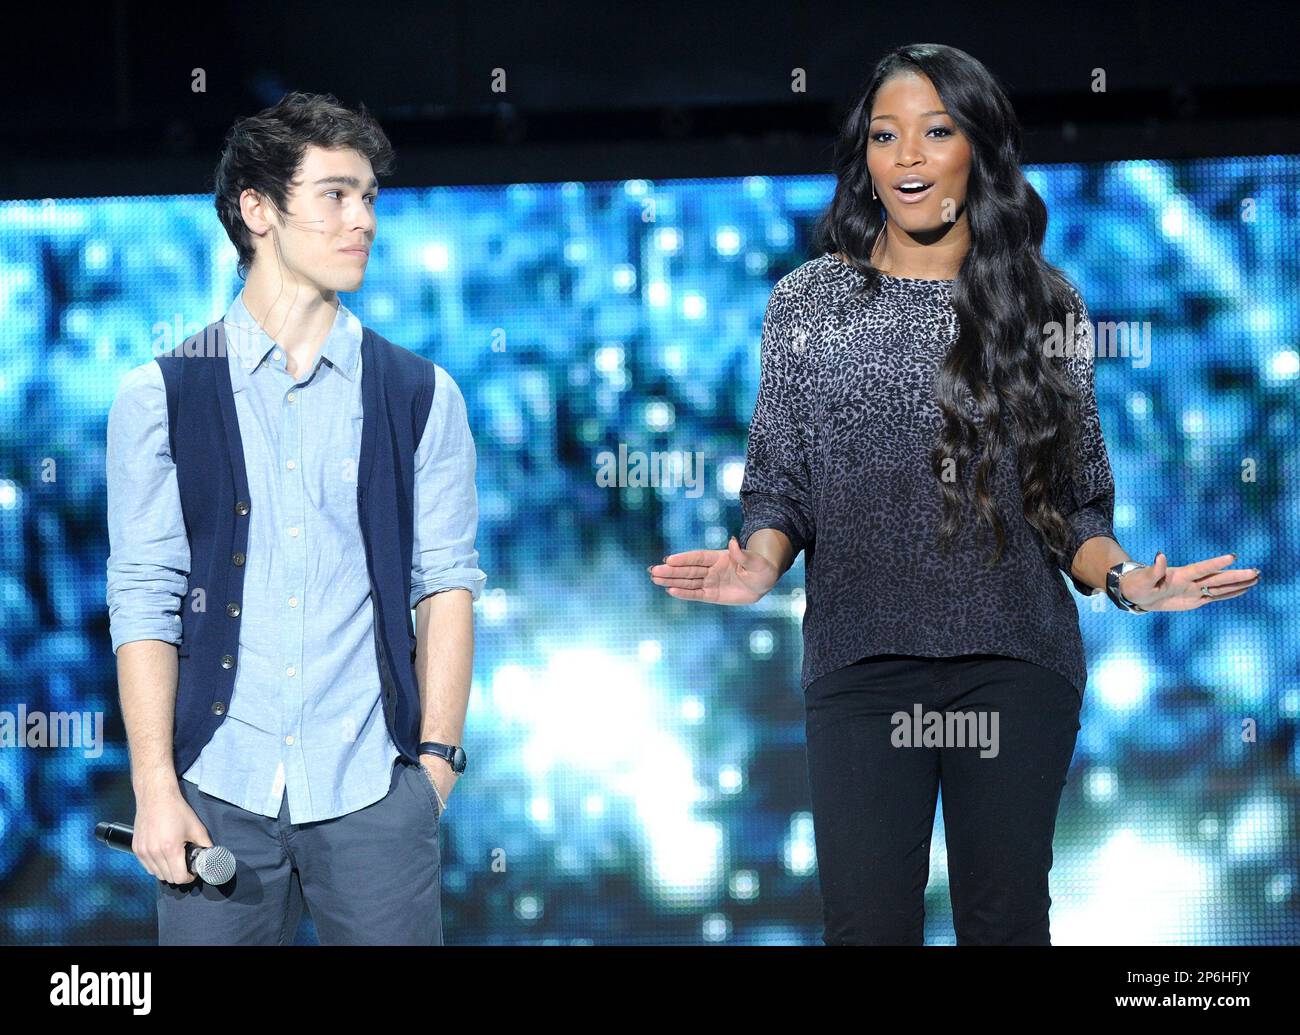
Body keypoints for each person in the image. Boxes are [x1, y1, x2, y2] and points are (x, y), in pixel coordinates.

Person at [646, 44, 1259, 945]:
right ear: (864, 156)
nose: (907, 159)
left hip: (1013, 660)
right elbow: (780, 486)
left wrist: (1128, 579)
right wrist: (760, 564)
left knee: (1004, 923)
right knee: (866, 927)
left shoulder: (1045, 304)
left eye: (935, 133)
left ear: (978, 147)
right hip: (862, 665)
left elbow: (1073, 504)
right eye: (886, 136)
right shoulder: (808, 304)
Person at [105, 92, 485, 945]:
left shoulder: (422, 395)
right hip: (218, 797)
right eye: (335, 195)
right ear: (257, 210)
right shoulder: (159, 395)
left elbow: (446, 584)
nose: (363, 221)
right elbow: (144, 599)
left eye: (370, 197)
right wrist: (156, 787)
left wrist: (434, 768)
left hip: (373, 791)